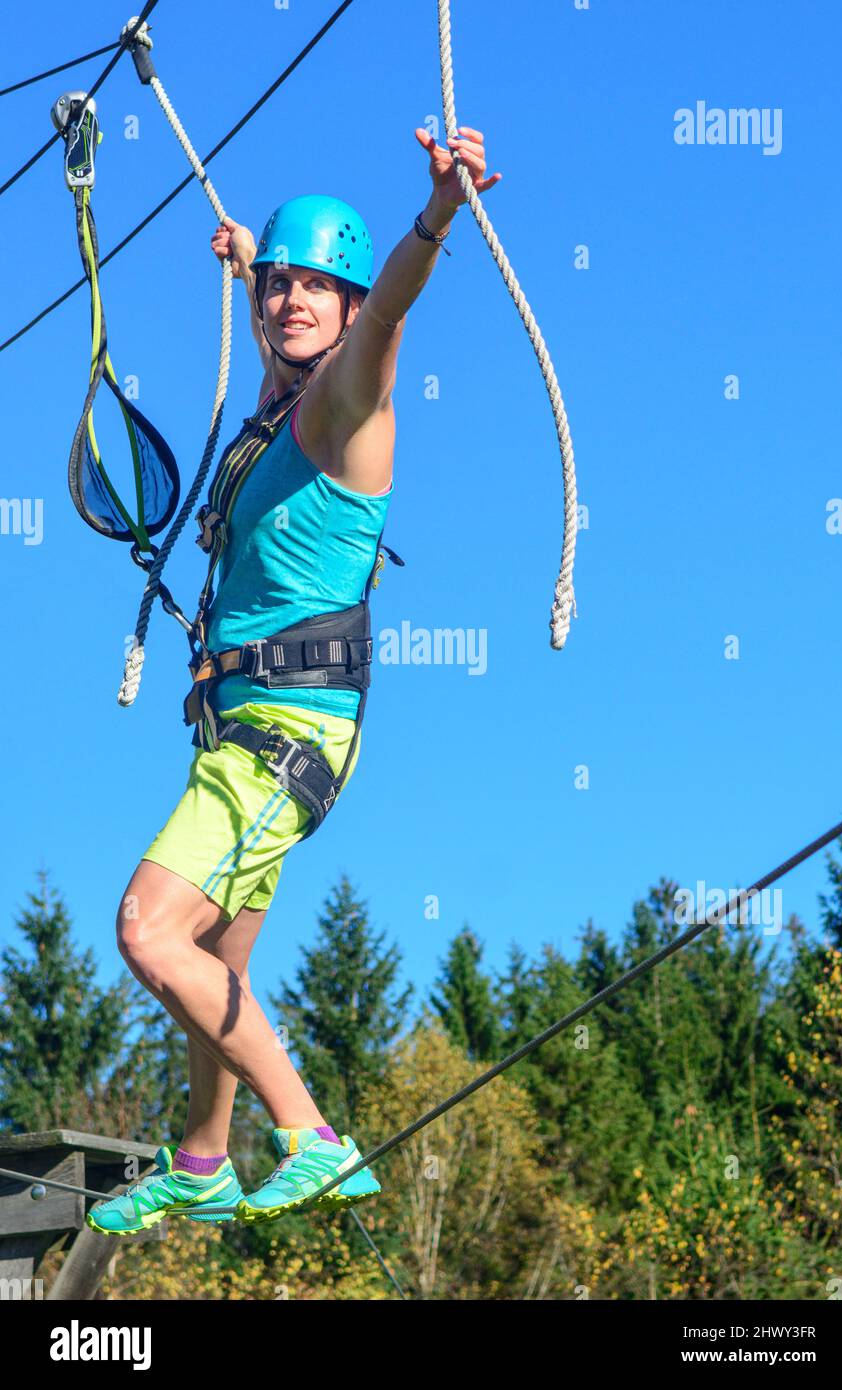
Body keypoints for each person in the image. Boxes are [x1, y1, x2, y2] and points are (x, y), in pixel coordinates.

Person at [87, 125, 501, 1235]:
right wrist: (244, 259)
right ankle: (206, 1155)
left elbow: (389, 313)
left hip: (288, 733)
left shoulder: (343, 406)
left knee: (147, 928)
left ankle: (314, 1137)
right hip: (243, 728)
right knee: (216, 955)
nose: (291, 302)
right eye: (279, 286)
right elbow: (286, 324)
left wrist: (436, 215)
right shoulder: (278, 407)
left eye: (317, 289)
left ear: (352, 304)